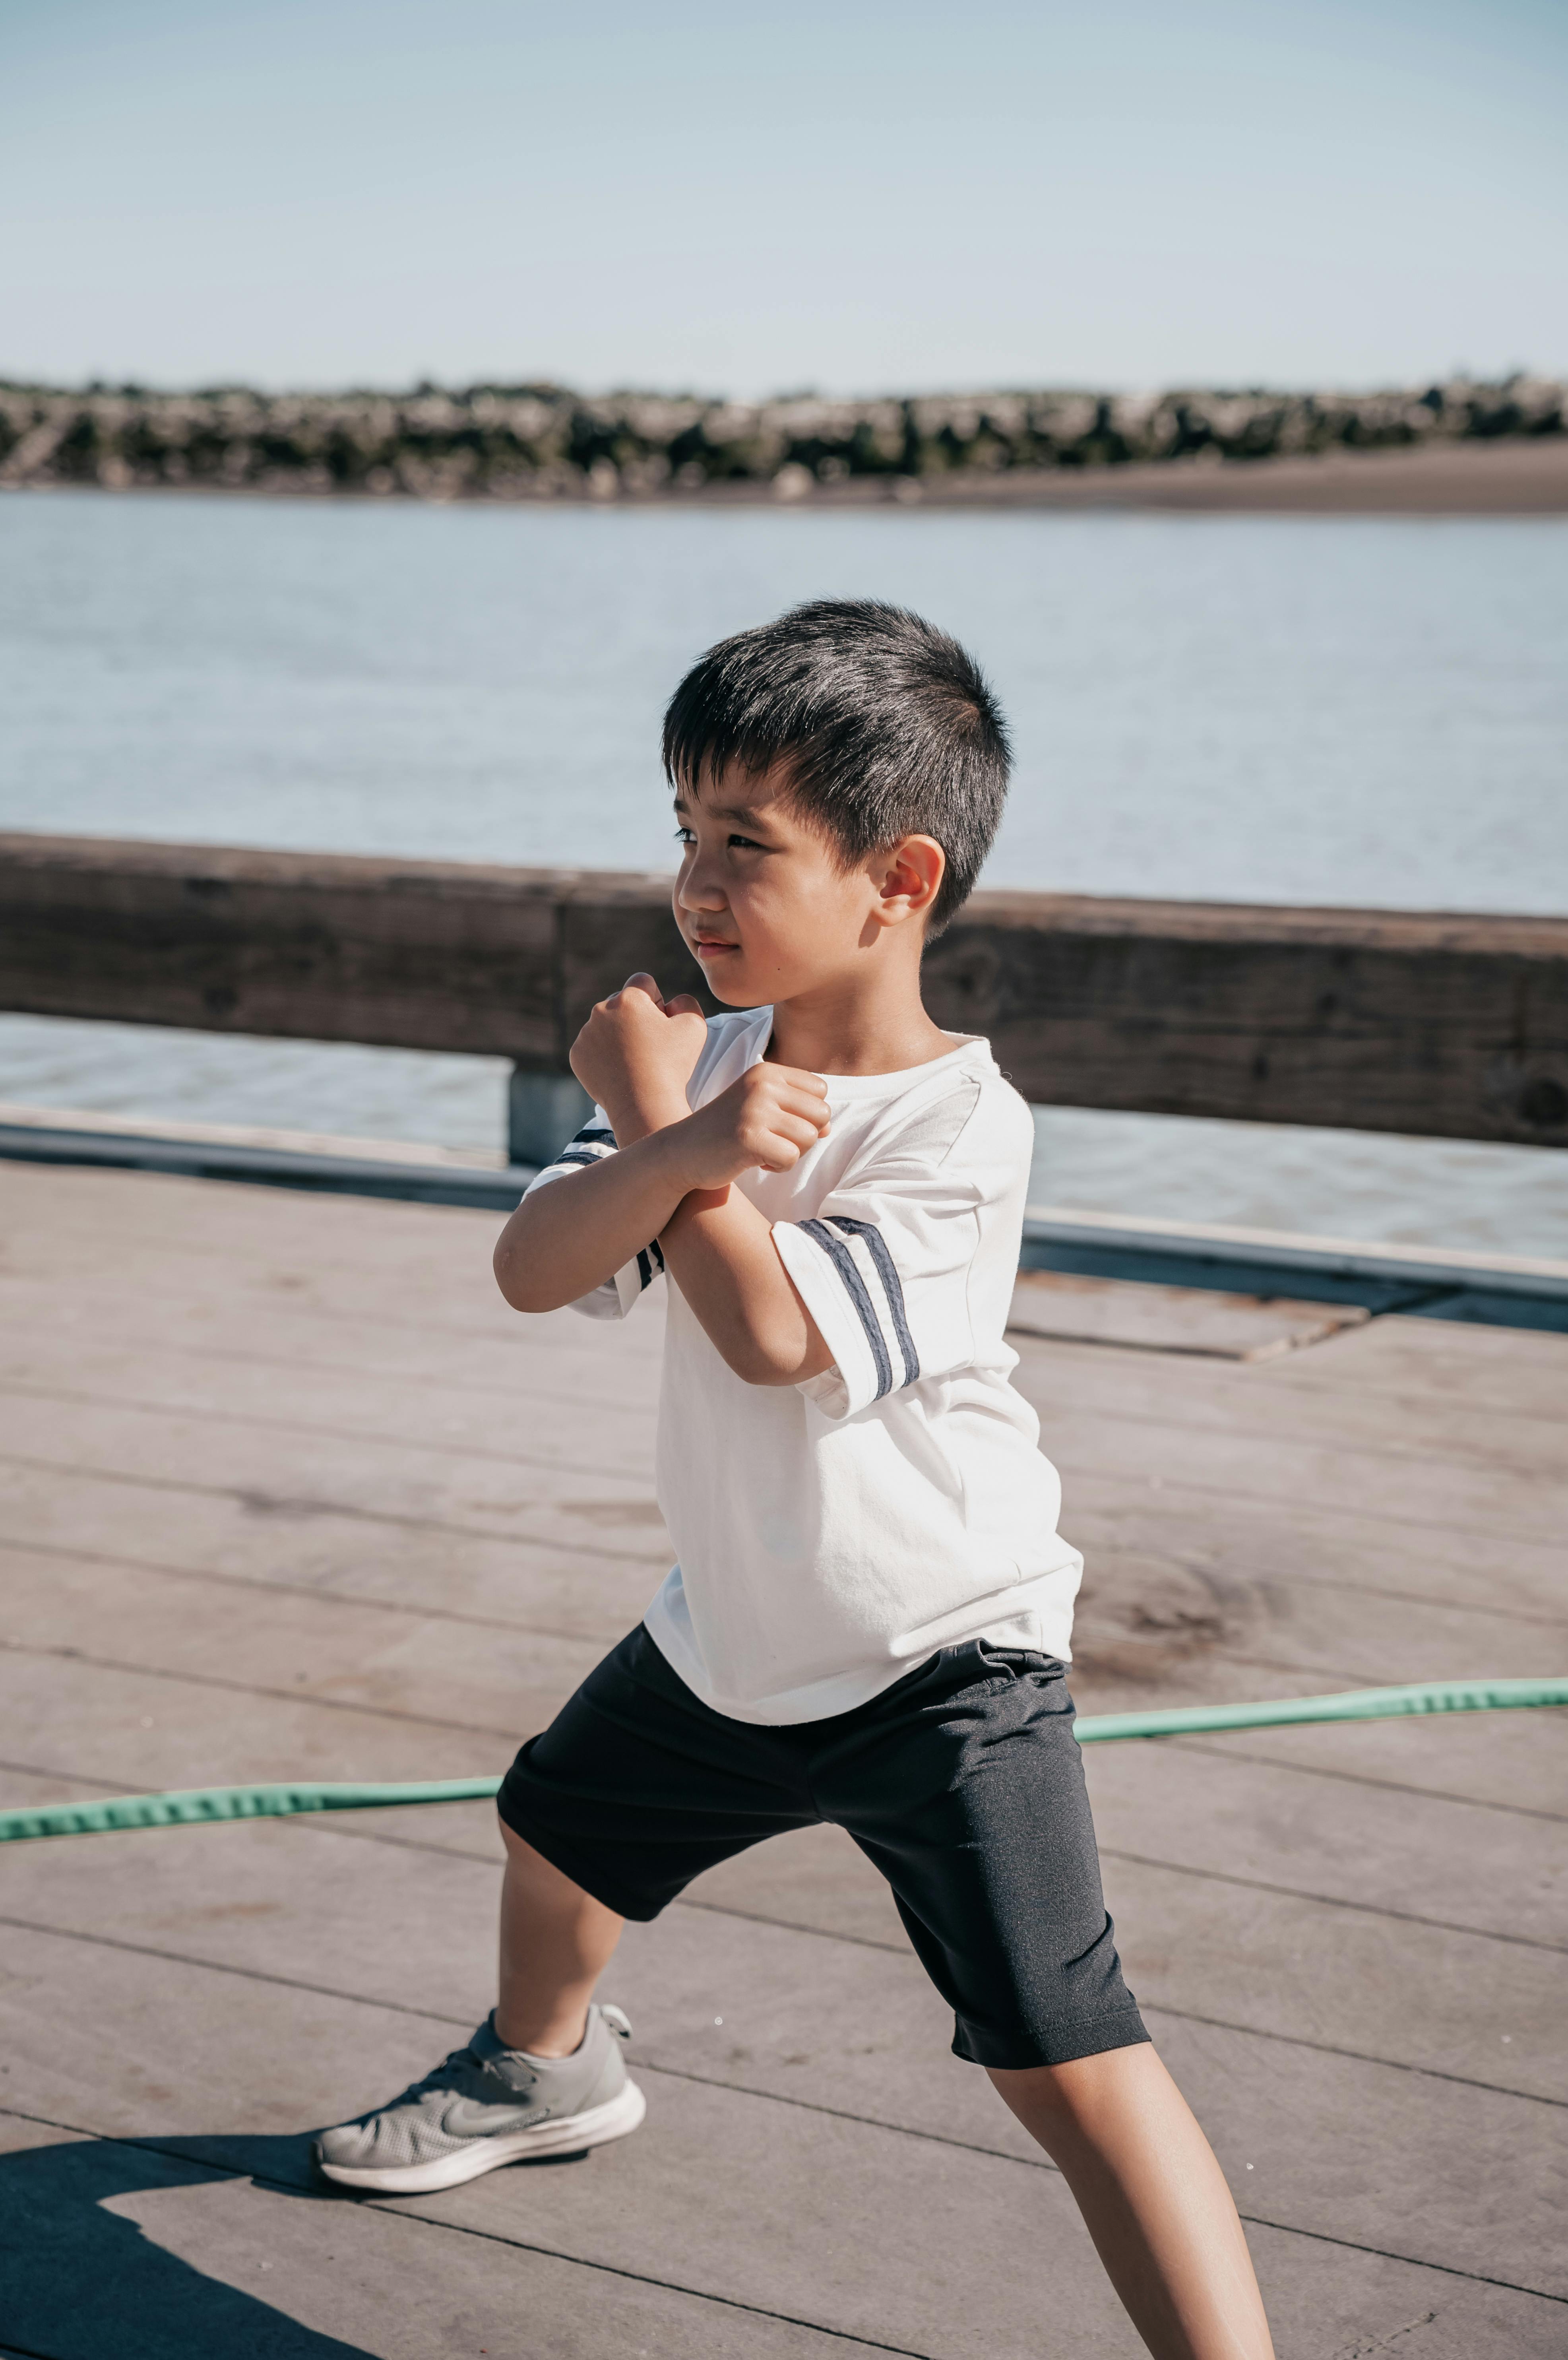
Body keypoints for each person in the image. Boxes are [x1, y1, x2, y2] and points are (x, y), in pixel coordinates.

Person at [316, 600, 1275, 2360]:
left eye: (743, 845)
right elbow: (540, 1267)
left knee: (1068, 2064)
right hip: (735, 1635)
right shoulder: (713, 1070)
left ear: (897, 879)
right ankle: (547, 2068)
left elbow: (768, 1335)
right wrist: (672, 1131)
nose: (692, 883)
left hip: (942, 1663)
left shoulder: (955, 1129)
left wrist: (670, 1139)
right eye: (680, 831)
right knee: (552, 1825)